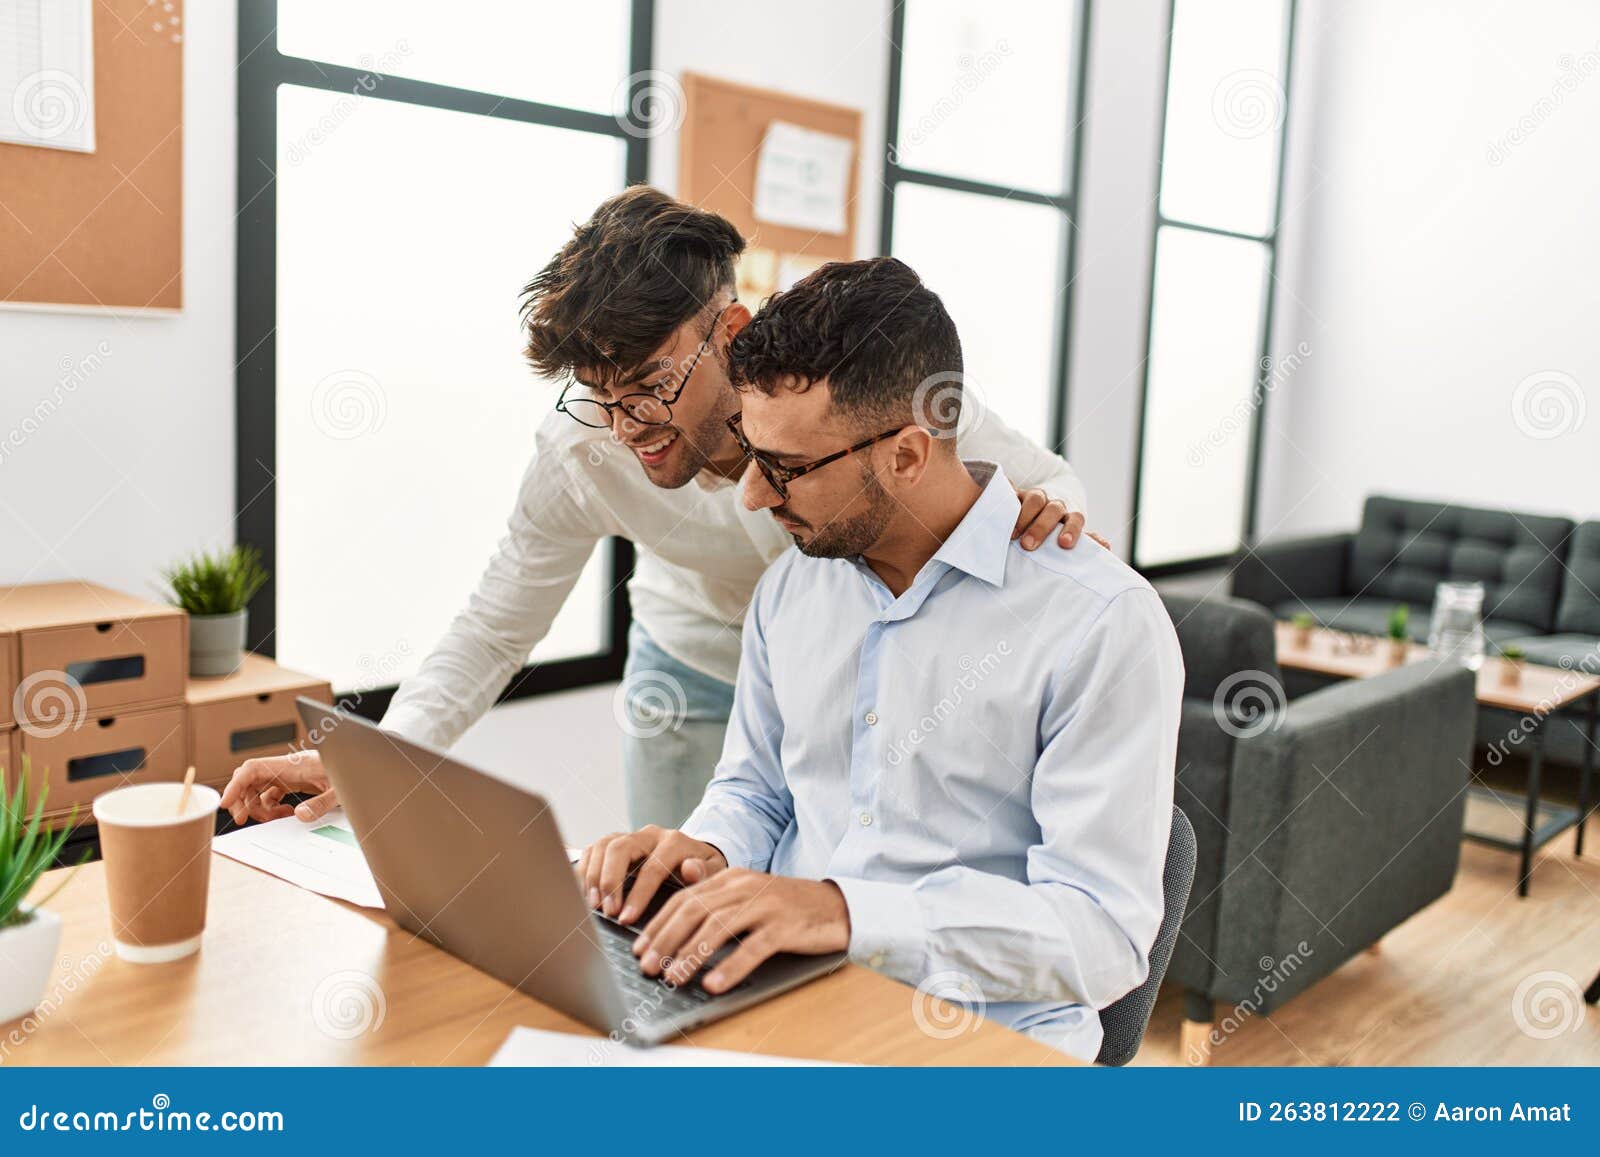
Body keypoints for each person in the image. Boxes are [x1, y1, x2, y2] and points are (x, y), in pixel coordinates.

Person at [222, 187, 1096, 831]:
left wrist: (1046, 513)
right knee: (673, 919)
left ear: (730, 328)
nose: (626, 425)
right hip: (691, 674)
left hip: (852, 667)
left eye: (648, 385)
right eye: (597, 394)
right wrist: (377, 761)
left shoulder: (844, 396)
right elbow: (493, 631)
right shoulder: (582, 451)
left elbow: (1054, 483)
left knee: (832, 902)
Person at [579, 257, 1183, 1061]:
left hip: (981, 1042)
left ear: (906, 454)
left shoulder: (1099, 622)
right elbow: (756, 790)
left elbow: (1103, 935)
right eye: (752, 455)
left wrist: (842, 914)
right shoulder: (792, 591)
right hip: (781, 1000)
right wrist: (705, 853)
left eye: (787, 468)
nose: (754, 496)